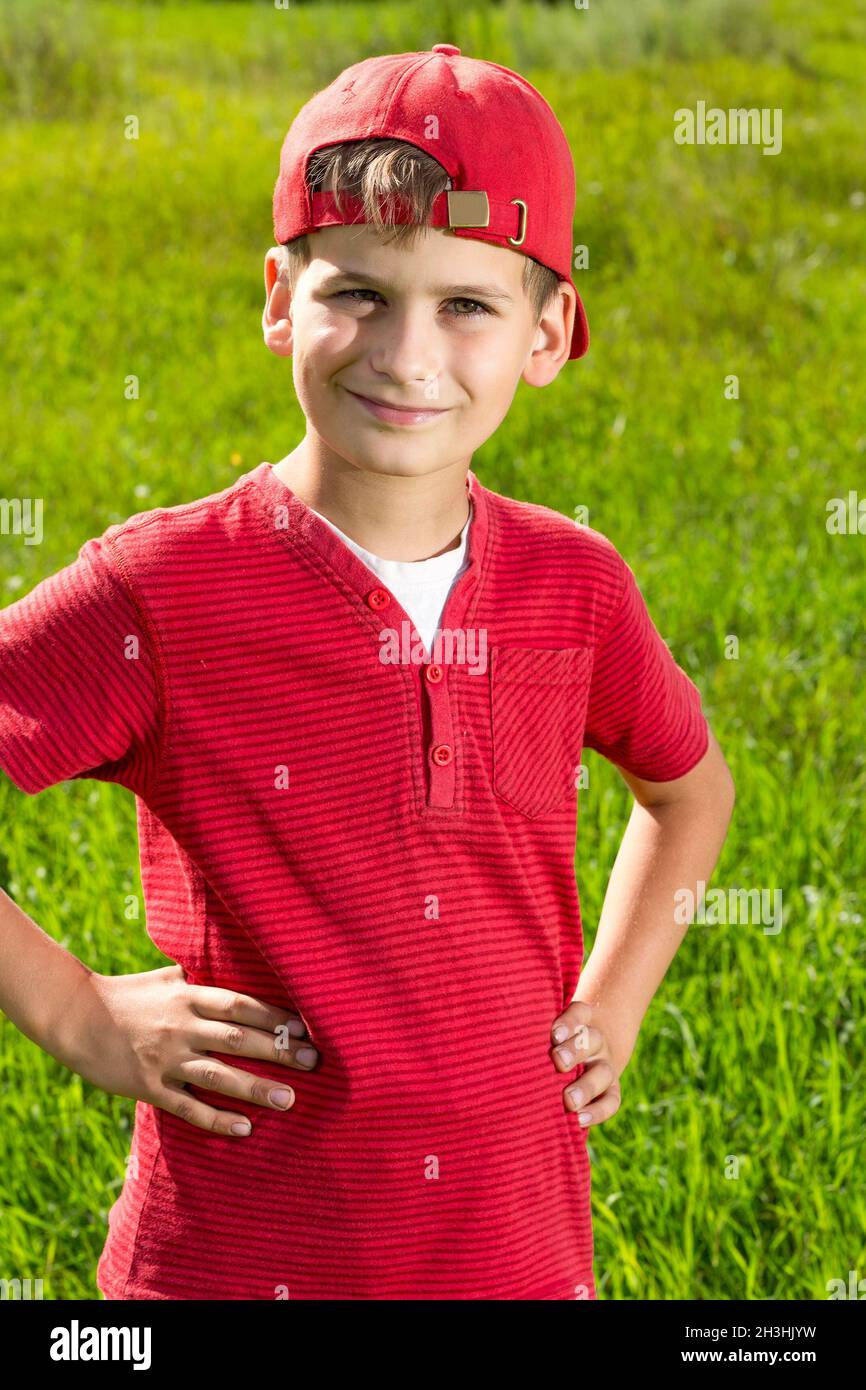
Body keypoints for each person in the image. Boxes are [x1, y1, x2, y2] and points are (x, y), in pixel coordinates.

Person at [0, 44, 735, 1301]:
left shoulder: (576, 585)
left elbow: (690, 790)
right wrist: (75, 1013)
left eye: (465, 305)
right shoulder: (160, 592)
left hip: (516, 1255)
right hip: (228, 1263)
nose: (404, 355)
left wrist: (610, 1005)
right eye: (358, 295)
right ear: (281, 299)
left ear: (548, 332)